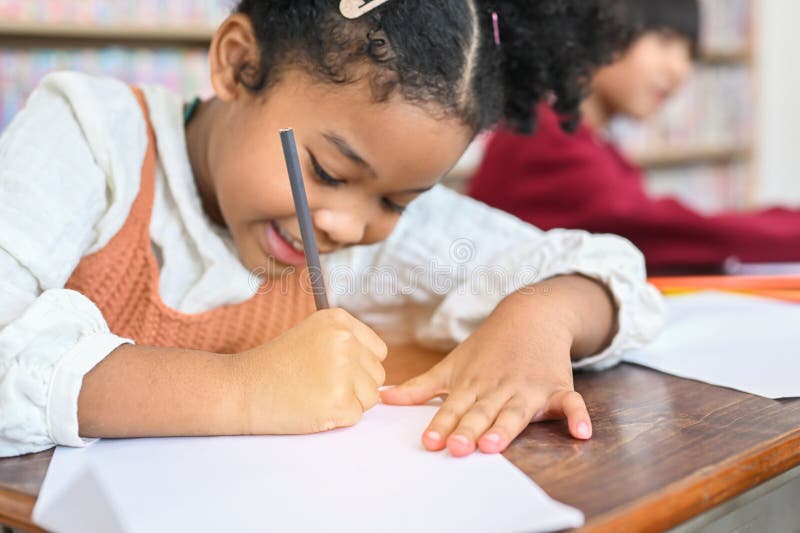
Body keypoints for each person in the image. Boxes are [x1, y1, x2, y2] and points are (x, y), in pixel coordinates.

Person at [0, 0, 662, 459]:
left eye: (397, 201)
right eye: (326, 171)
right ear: (238, 64)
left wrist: (540, 319)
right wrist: (244, 391)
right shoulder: (90, 136)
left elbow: (605, 268)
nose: (347, 225)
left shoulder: (367, 233)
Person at [469, 0, 800, 274]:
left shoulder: (581, 137)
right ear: (601, 28)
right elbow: (670, 230)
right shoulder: (544, 139)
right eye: (665, 40)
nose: (680, 69)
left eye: (689, 54)